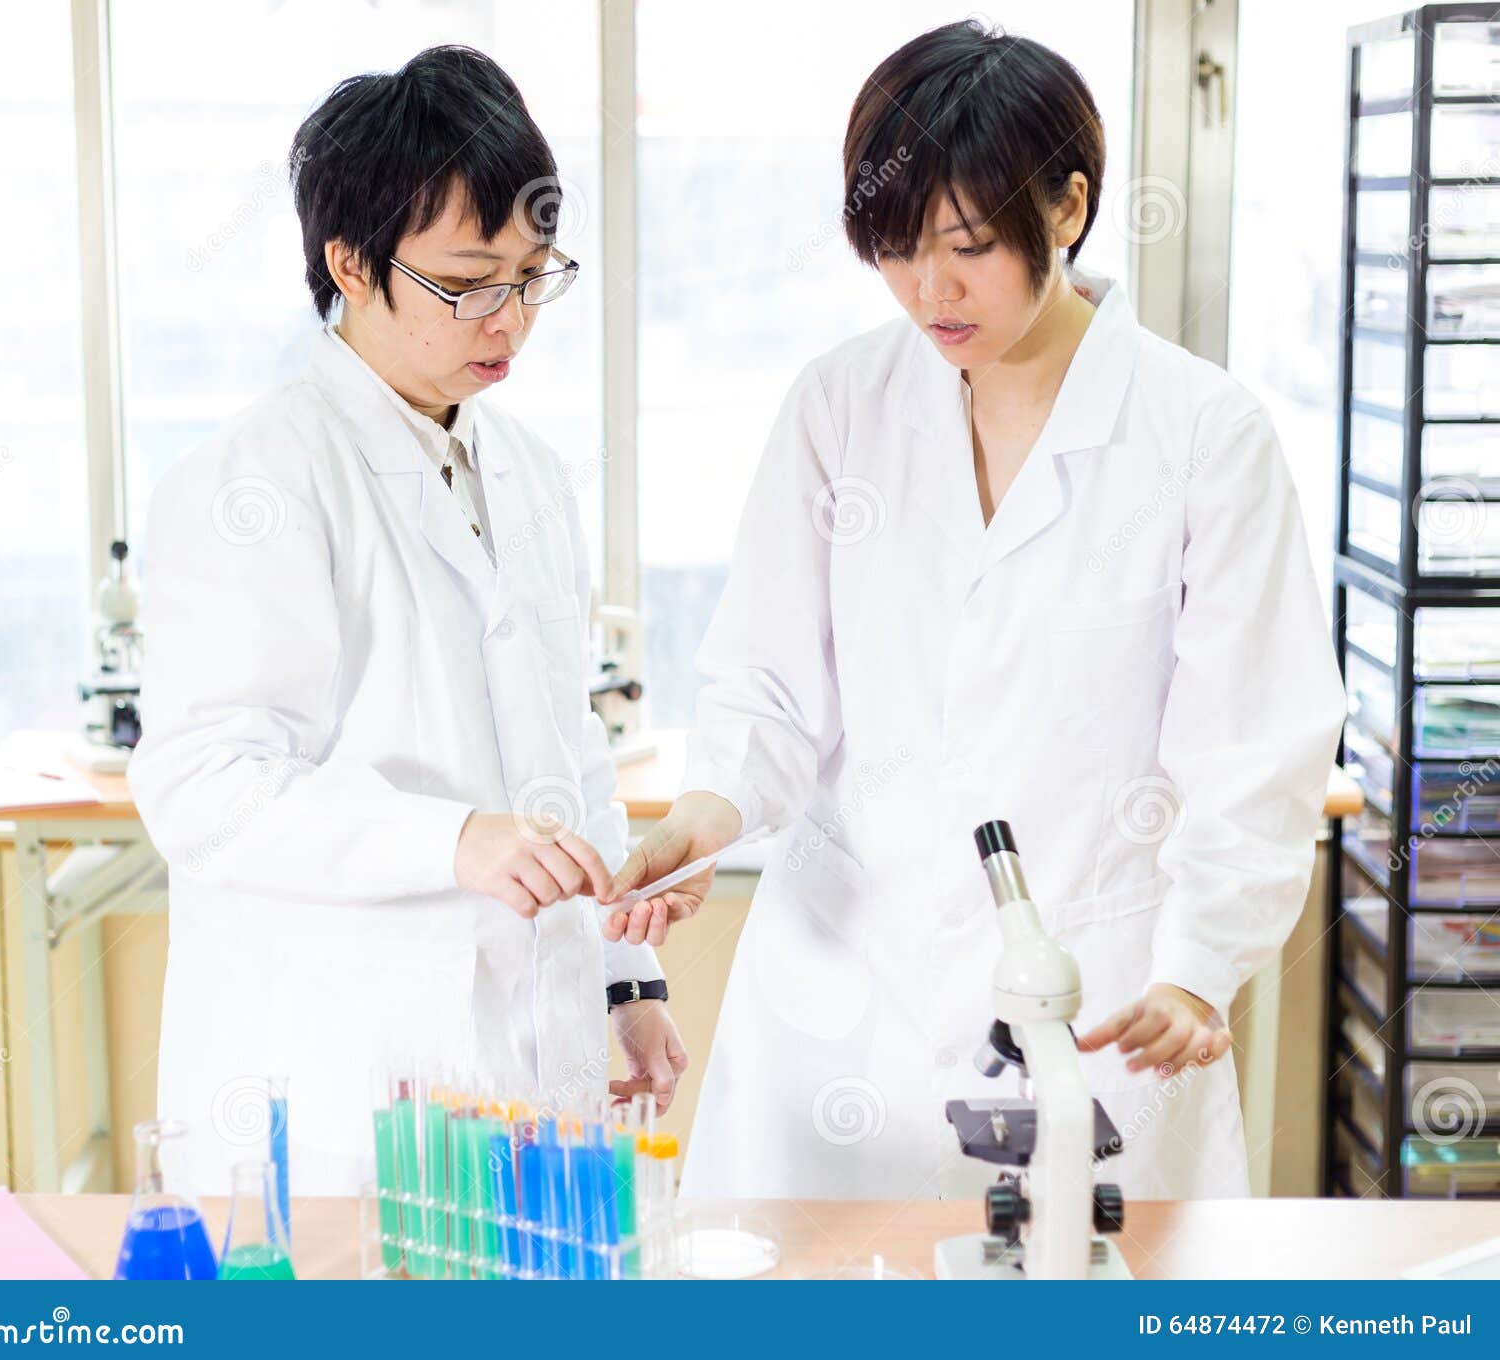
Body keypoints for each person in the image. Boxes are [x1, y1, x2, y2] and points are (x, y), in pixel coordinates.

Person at [600, 20, 1343, 1202]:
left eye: (968, 246)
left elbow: (1256, 743)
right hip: (845, 1005)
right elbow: (768, 685)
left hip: (1099, 1005)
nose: (927, 290)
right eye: (895, 250)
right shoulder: (838, 407)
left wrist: (1200, 967)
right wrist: (711, 805)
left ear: (1069, 207)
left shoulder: (1203, 436)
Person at [130, 46, 685, 1196]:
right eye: (467, 281)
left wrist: (625, 980)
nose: (511, 319)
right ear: (351, 262)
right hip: (342, 1081)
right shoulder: (254, 480)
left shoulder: (525, 471)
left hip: (538, 1063)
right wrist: (453, 838)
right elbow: (204, 785)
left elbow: (568, 752)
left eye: (534, 275)